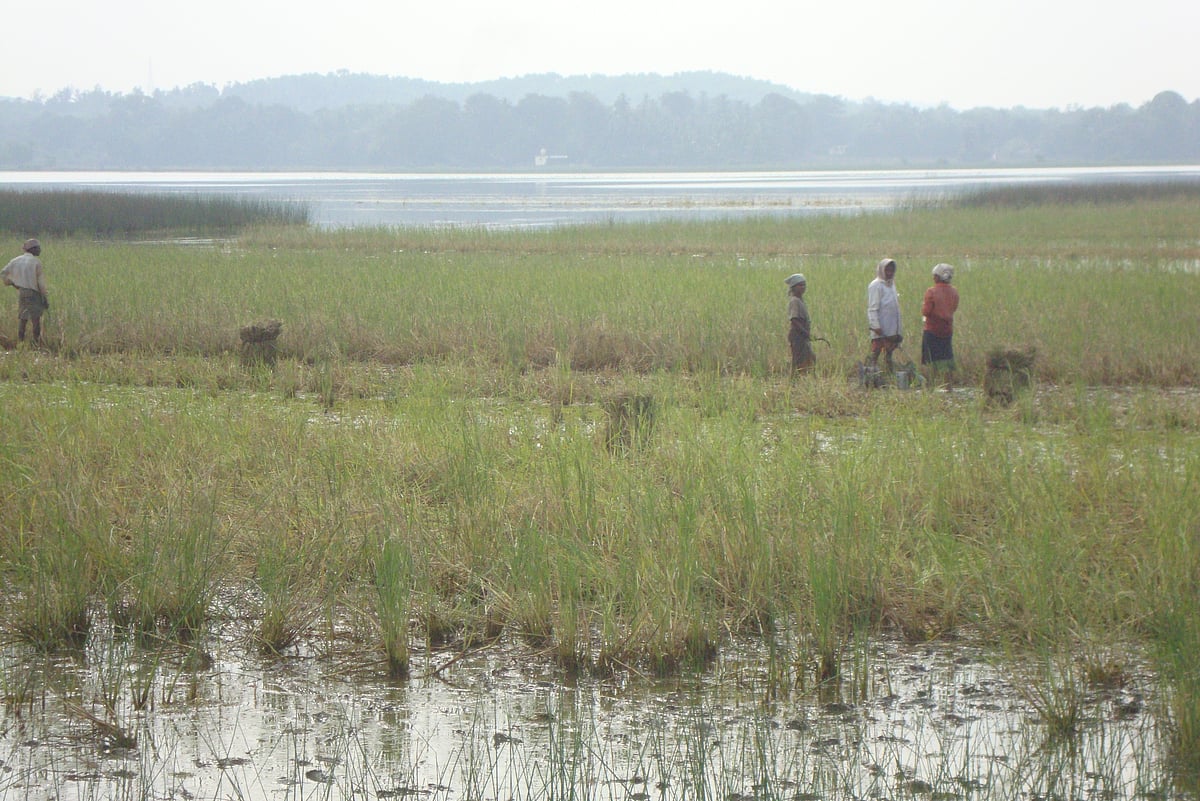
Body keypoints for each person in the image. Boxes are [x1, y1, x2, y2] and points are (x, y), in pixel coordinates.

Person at [1, 238, 49, 344]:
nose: (40, 250)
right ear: (33, 249)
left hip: (22, 292)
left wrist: (13, 283)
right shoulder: (36, 262)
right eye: (38, 248)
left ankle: (21, 341)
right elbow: (40, 283)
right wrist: (45, 298)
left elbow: (3, 273)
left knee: (23, 318)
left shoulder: (16, 260)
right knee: (35, 318)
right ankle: (36, 342)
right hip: (34, 293)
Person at [921, 263, 960, 385]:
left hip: (932, 330)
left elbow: (926, 312)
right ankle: (949, 387)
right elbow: (953, 308)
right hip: (947, 331)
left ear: (938, 277)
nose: (933, 278)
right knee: (947, 359)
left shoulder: (931, 292)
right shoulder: (954, 292)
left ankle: (930, 386)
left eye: (934, 275)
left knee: (931, 360)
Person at [866, 257, 902, 369]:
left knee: (889, 353)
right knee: (876, 352)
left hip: (891, 327)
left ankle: (889, 373)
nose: (890, 273)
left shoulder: (891, 284)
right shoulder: (876, 285)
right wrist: (875, 326)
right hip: (880, 327)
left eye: (892, 271)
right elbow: (872, 308)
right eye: (887, 270)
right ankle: (871, 373)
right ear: (881, 270)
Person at [785, 273, 815, 372]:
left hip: (801, 335)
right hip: (797, 335)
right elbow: (794, 320)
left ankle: (802, 380)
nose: (803, 287)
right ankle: (793, 382)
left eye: (804, 285)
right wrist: (806, 333)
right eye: (800, 285)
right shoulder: (794, 301)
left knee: (809, 358)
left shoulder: (800, 300)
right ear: (793, 287)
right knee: (798, 360)